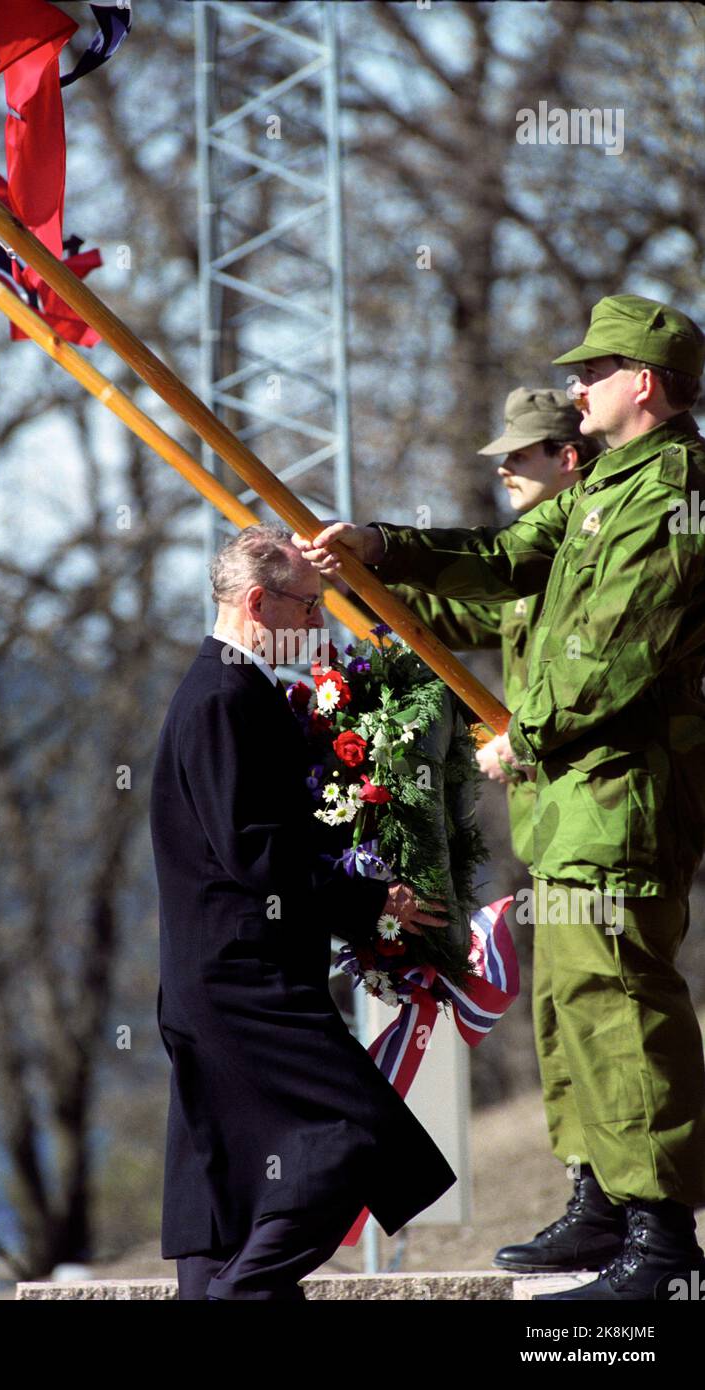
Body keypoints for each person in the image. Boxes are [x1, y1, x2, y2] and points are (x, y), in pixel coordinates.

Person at [294, 294, 705, 1301]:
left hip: (624, 795)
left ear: (642, 383)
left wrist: (532, 730)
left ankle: (663, 1244)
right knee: (569, 1006)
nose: (576, 390)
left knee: (619, 1001)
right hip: (578, 803)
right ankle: (603, 1202)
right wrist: (380, 549)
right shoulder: (606, 486)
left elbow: (620, 644)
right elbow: (507, 560)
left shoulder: (677, 491)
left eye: (592, 373)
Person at [150, 524, 456, 1301]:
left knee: (225, 1180)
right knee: (354, 1137)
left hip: (215, 978)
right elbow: (253, 853)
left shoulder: (227, 687)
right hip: (242, 982)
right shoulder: (224, 695)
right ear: (258, 603)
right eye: (307, 607)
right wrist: (368, 898)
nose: (318, 625)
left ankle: (222, 1290)